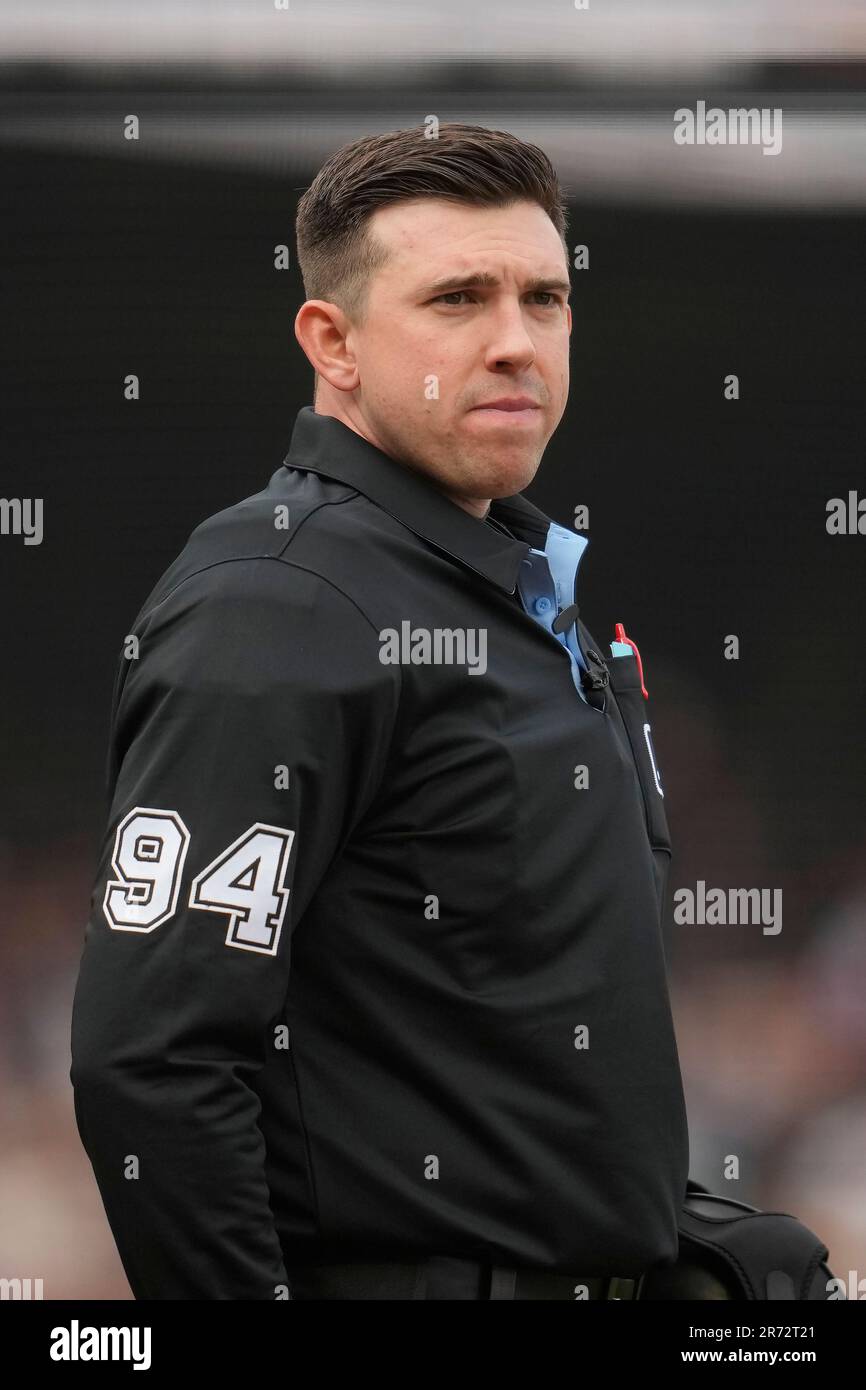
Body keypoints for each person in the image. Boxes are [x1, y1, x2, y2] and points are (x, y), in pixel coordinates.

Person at [70, 122, 689, 1300]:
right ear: (333, 340)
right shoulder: (279, 604)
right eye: (457, 298)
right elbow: (149, 1061)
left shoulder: (507, 581)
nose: (515, 341)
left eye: (543, 298)